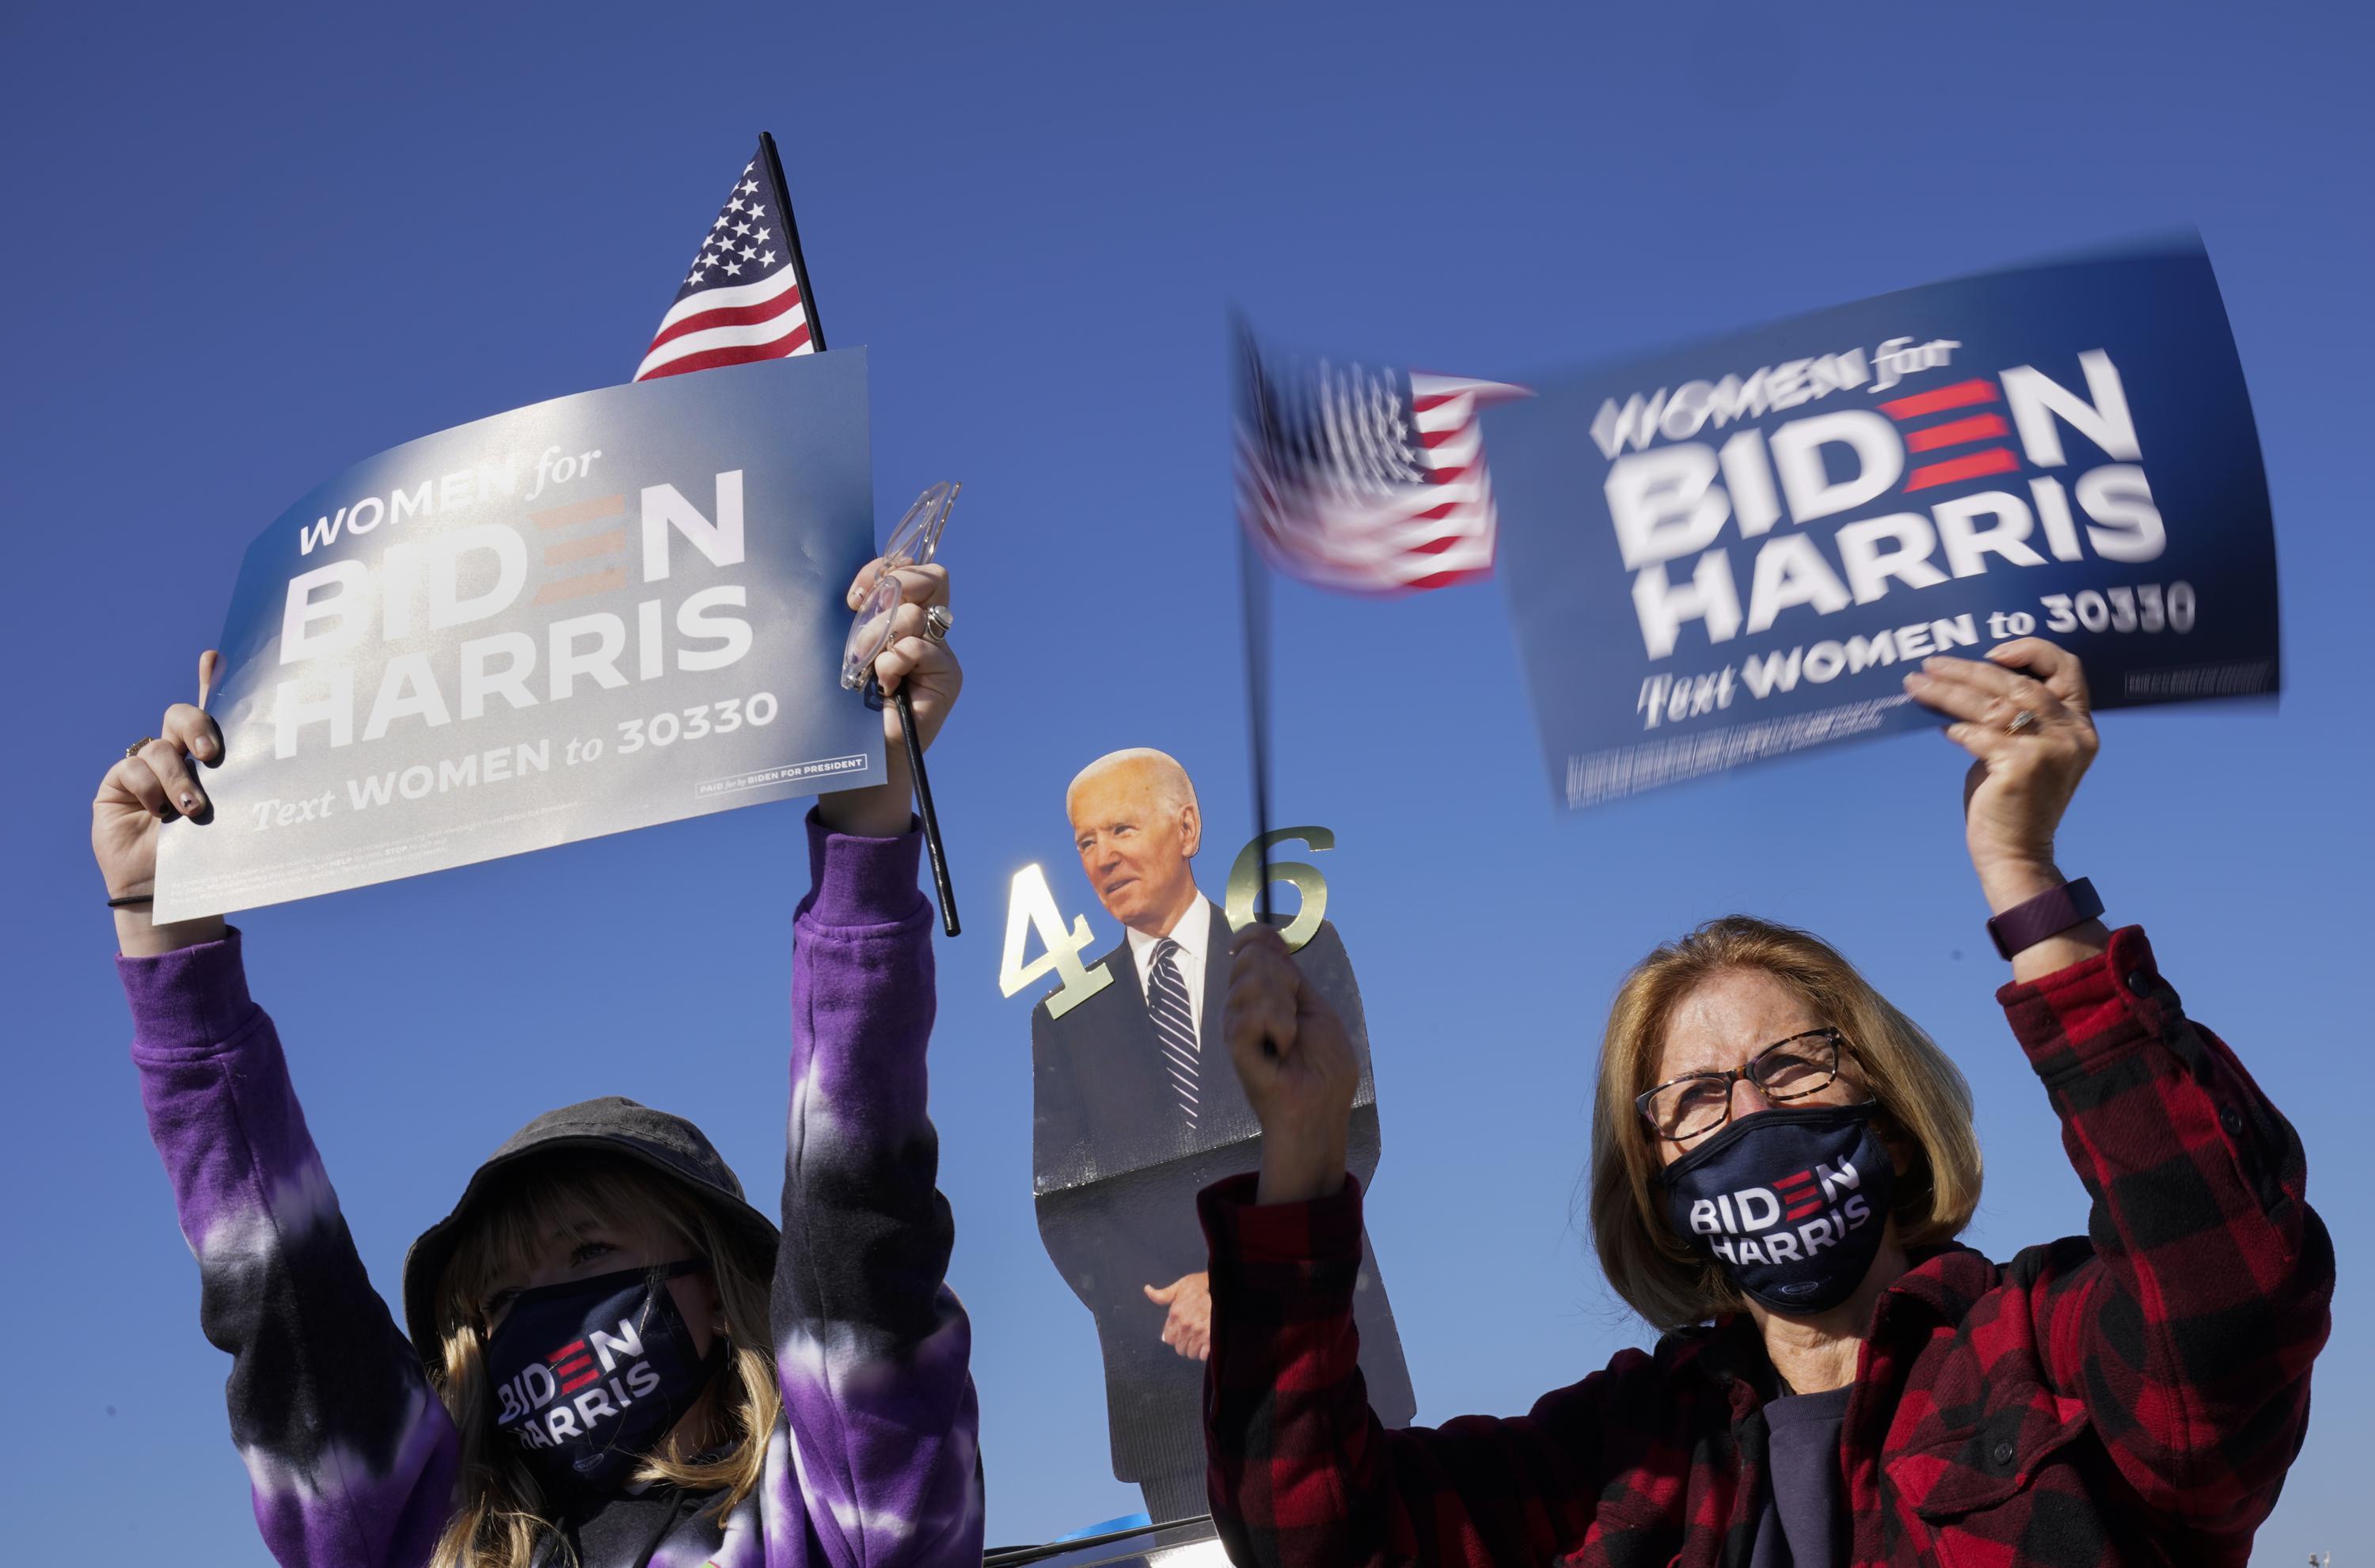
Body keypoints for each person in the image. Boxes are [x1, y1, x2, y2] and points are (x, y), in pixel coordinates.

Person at [1202, 640, 2331, 1567]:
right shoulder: (1627, 1448)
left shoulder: (2039, 1349)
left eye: (1791, 1065)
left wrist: (2027, 883)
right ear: (1655, 1178)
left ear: (1885, 1104)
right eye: (1694, 1097)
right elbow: (1320, 1542)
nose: (1747, 1109)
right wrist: (1302, 1149)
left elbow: (2231, 1305)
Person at [96, 560, 984, 1568]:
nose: (545, 1311)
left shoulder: (834, 1514)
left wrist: (868, 830)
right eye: (502, 1299)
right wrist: (165, 932)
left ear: (725, 1283)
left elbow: (856, 1201)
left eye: (589, 1255)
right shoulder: (426, 1543)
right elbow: (278, 1298)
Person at [1029, 747, 1412, 1524]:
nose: (1102, 858)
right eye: (1085, 841)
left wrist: (1234, 1283)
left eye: (1121, 828)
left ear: (1188, 826)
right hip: (1171, 1403)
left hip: (1330, 1352)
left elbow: (1350, 1130)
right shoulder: (1061, 1020)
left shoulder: (1297, 954)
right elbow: (1067, 1211)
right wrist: (1177, 1313)